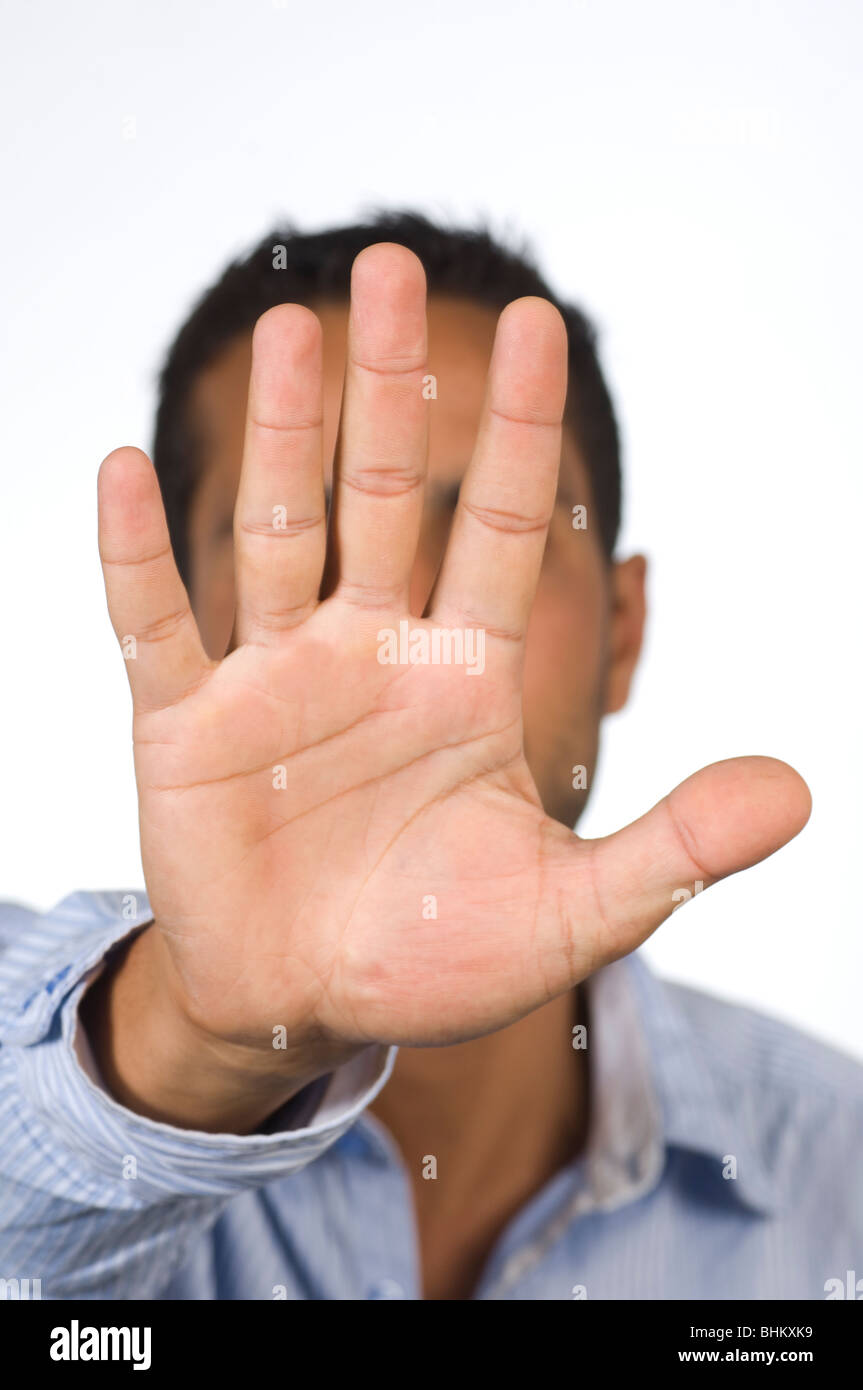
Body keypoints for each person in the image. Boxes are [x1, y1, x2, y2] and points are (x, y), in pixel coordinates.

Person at [0, 212, 859, 1302]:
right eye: (301, 534)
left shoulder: (838, 1175)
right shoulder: (35, 1052)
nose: (406, 624)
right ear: (172, 609)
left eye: (479, 536)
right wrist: (197, 1044)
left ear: (622, 632)